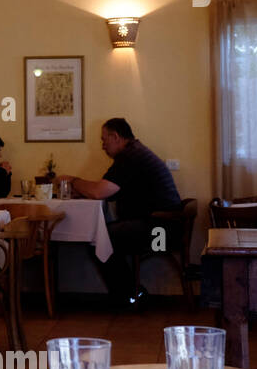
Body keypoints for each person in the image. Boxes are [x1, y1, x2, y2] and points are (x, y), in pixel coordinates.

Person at [56, 117, 181, 307]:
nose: (102, 146)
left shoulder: (130, 157)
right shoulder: (134, 153)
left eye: (103, 140)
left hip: (161, 233)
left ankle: (129, 297)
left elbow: (99, 192)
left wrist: (73, 181)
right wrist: (81, 189)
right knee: (103, 236)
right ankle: (131, 294)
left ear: (115, 136)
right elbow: (109, 191)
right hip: (164, 226)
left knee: (101, 238)